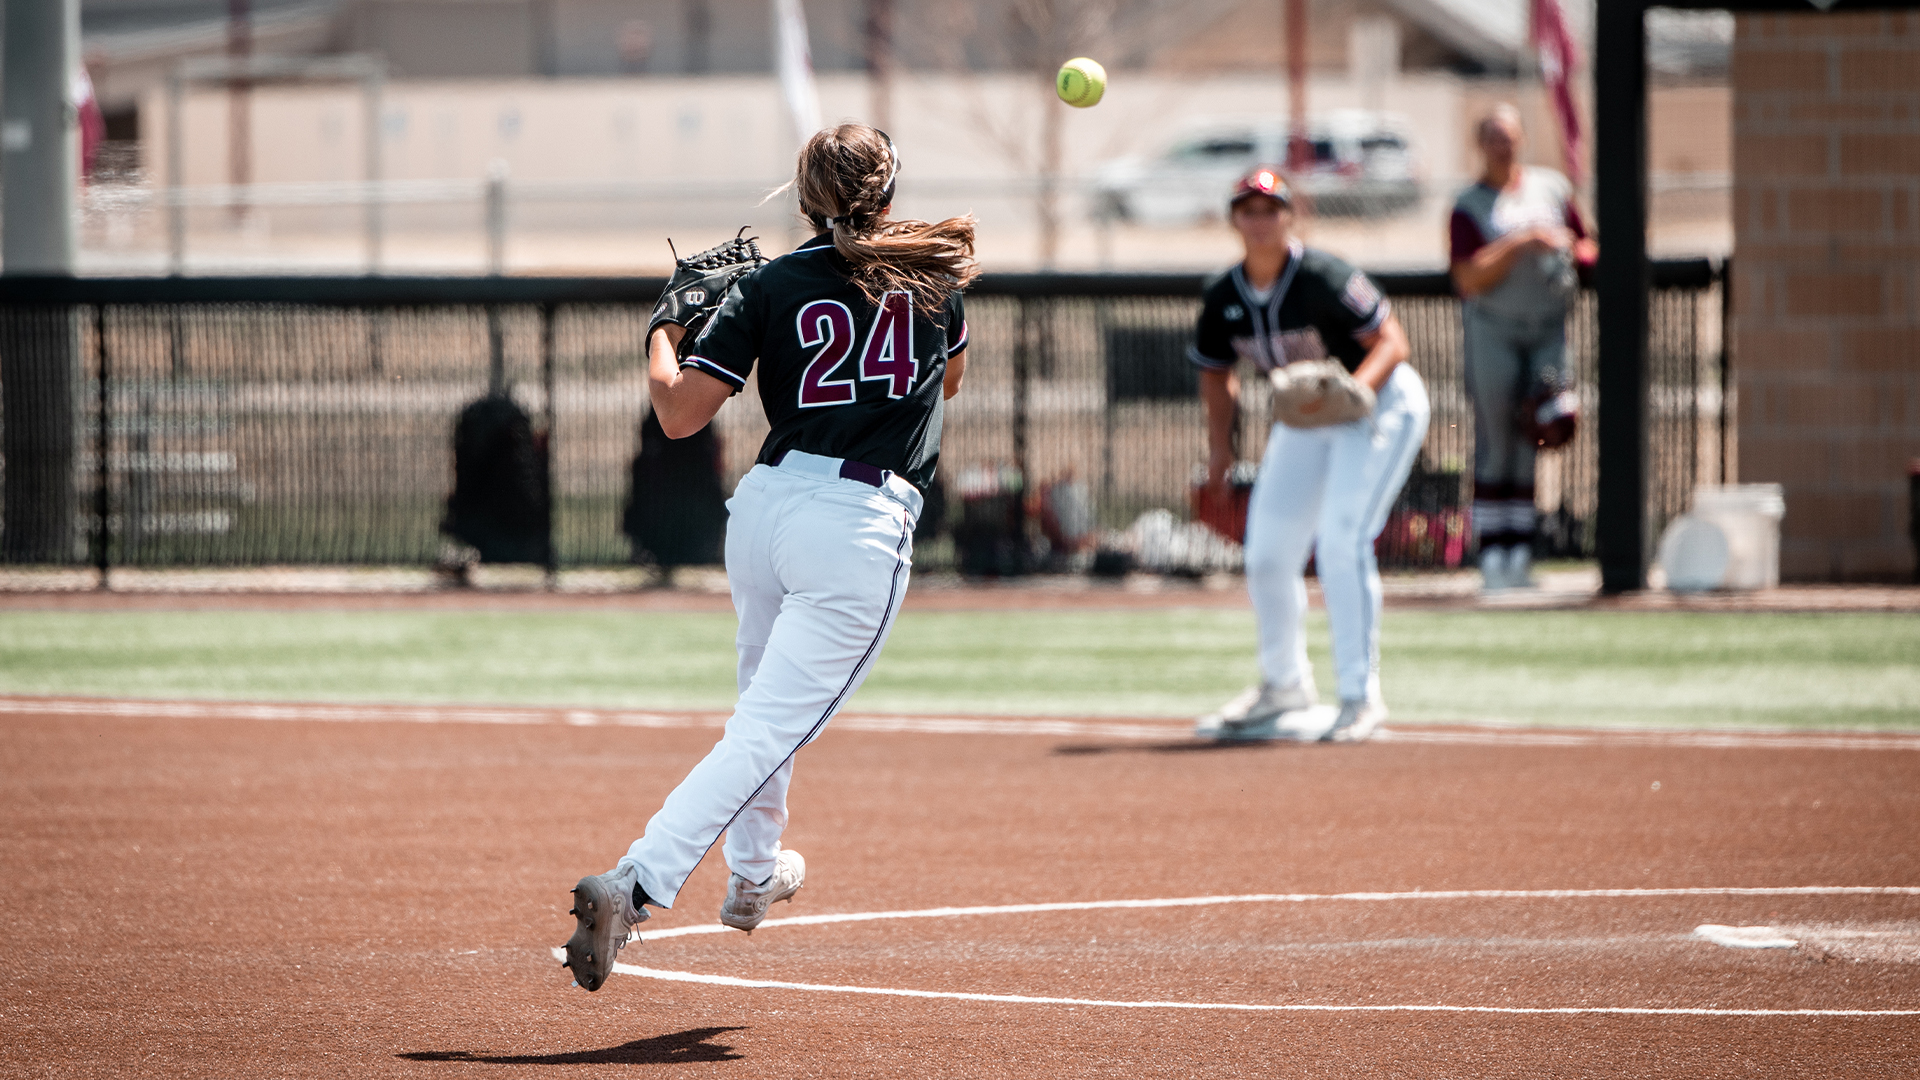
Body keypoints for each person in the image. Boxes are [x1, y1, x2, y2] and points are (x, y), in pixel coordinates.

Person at [562, 123, 976, 992]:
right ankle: (633, 885)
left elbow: (678, 413)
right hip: (859, 521)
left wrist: (668, 326)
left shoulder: (772, 282)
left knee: (765, 711)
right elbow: (949, 382)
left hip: (765, 510)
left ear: (802, 200)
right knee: (765, 727)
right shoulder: (934, 276)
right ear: (890, 196)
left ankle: (753, 877)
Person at [1194, 167, 1429, 743]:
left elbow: (1393, 341)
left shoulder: (1324, 276)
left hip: (1376, 406)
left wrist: (1359, 389)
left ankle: (1360, 696)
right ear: (1234, 220)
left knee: (1342, 540)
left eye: (1270, 208)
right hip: (1304, 420)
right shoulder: (1224, 295)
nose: (1260, 219)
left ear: (1288, 216)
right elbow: (1217, 374)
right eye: (1248, 209)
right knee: (1269, 551)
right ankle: (1284, 685)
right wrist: (1220, 452)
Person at [1449, 104, 1597, 591]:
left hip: (1549, 328)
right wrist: (1520, 243)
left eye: (1508, 135)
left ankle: (1521, 550)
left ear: (1522, 139)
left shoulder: (1550, 188)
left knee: (1541, 430)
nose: (1501, 144)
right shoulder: (1470, 204)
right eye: (1492, 136)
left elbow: (1587, 244)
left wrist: (1570, 249)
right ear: (1480, 143)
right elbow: (1469, 275)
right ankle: (1493, 553)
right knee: (1498, 440)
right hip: (1494, 328)